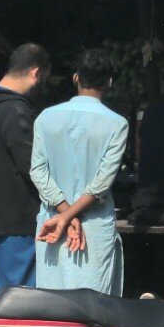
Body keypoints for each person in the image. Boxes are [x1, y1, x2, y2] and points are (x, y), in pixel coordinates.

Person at [30, 48, 129, 296]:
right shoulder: (117, 124)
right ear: (109, 82)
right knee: (94, 312)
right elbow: (100, 184)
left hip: (51, 225)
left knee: (52, 308)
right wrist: (70, 217)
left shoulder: (45, 118)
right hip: (92, 229)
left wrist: (64, 214)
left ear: (76, 78)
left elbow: (38, 172)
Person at [0, 44, 50, 295]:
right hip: (19, 222)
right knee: (22, 305)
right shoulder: (16, 111)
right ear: (36, 74)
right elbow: (33, 167)